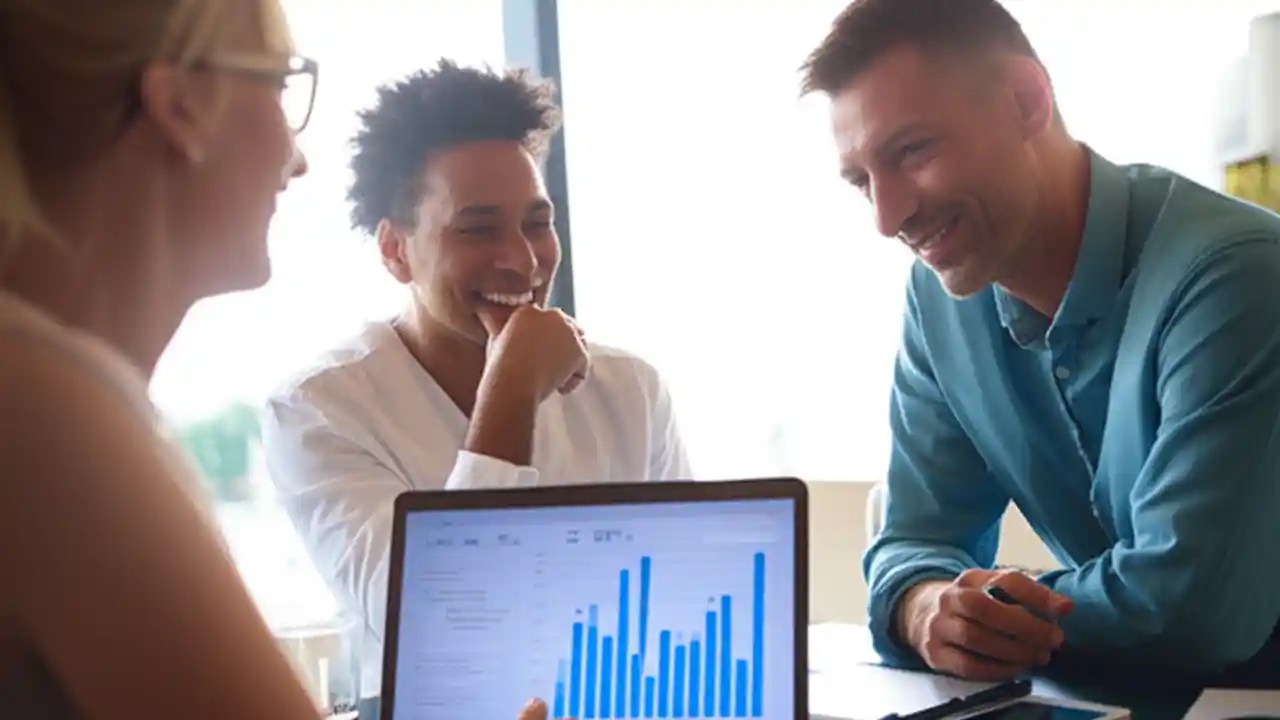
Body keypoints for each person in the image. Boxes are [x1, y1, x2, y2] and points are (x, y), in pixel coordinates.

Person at [800, 0, 1280, 686]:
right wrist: (926, 605)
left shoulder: (1240, 277)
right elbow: (914, 541)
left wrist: (986, 611)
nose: (887, 216)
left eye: (913, 151)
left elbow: (1189, 612)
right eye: (862, 180)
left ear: (1027, 101)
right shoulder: (939, 300)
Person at [260, 60, 692, 699]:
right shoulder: (317, 412)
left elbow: (687, 604)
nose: (522, 259)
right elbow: (446, 627)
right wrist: (511, 384)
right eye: (478, 228)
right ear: (394, 250)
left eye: (537, 224)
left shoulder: (630, 388)